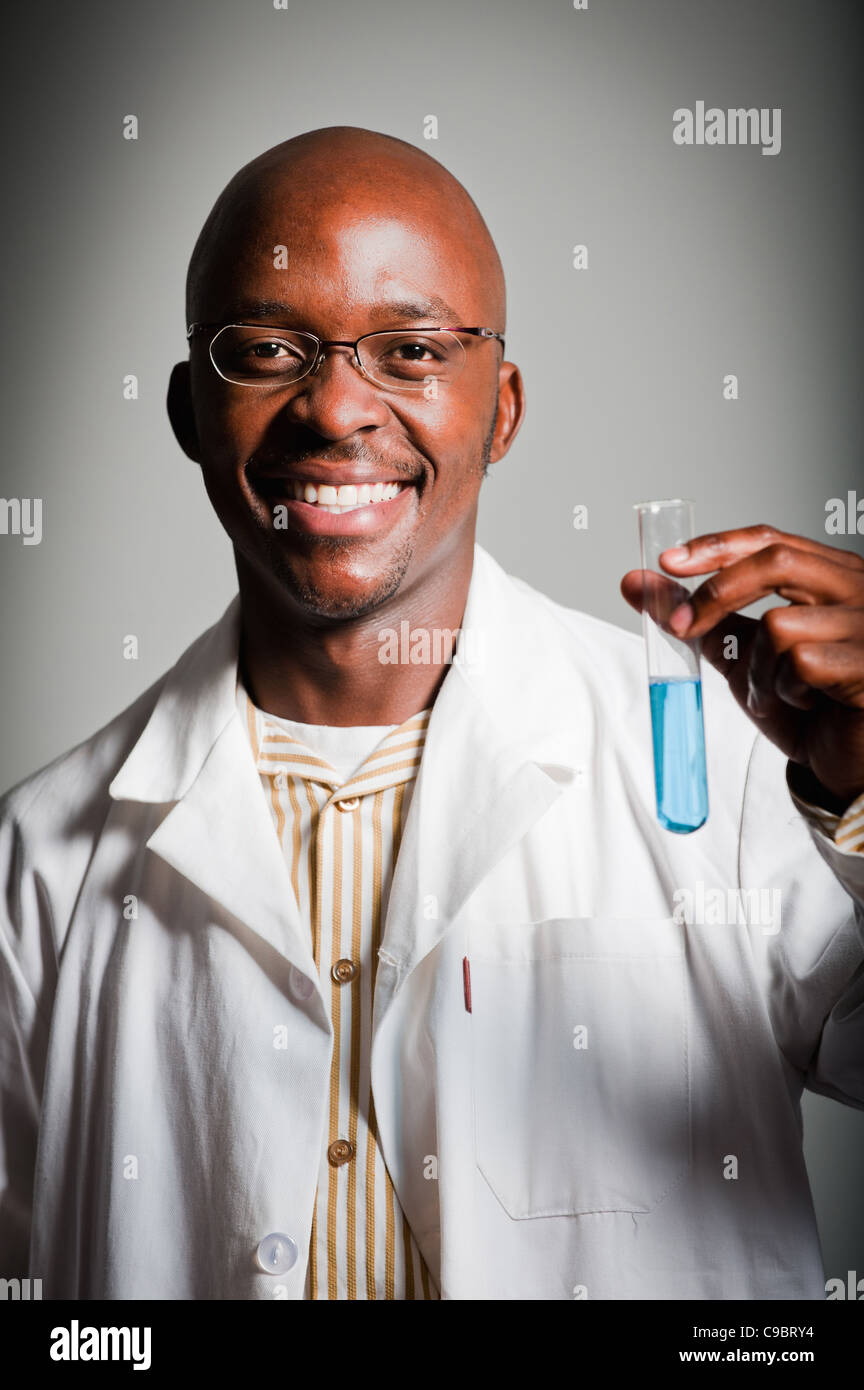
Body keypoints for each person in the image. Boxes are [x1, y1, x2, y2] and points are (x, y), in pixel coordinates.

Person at [1, 126, 863, 1301]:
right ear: (192, 411)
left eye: (410, 350)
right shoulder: (36, 862)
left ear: (500, 412)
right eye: (266, 348)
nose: (336, 408)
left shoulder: (735, 766)